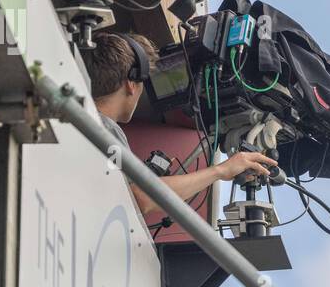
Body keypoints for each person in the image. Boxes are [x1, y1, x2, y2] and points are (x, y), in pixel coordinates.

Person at [82, 31, 276, 216]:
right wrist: (222, 170)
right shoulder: (105, 129)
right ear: (131, 84)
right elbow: (141, 198)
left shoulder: (81, 120)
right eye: (143, 82)